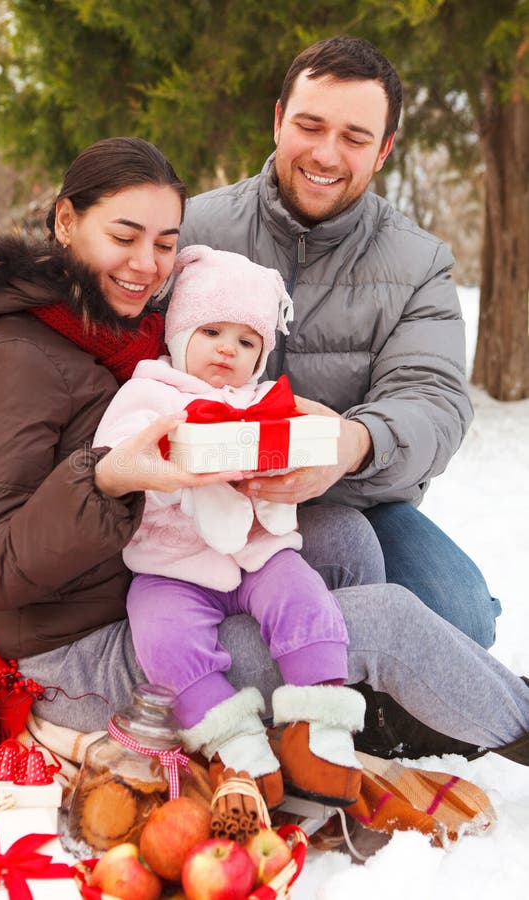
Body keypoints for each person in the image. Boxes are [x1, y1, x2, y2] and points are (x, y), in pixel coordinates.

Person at [0, 136, 529, 786]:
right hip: (82, 655)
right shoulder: (13, 361)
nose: (146, 264)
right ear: (65, 220)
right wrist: (107, 478)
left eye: (165, 243)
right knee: (386, 620)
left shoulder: (120, 327)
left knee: (343, 536)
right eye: (125, 236)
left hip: (139, 578)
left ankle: (325, 735)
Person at [178, 35, 501, 656]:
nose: (327, 154)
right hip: (201, 496)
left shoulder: (419, 261)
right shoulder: (195, 230)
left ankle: (347, 677)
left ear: (383, 151)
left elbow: (433, 400)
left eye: (354, 137)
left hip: (353, 493)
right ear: (278, 121)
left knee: (460, 621)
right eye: (310, 125)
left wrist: (354, 443)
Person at [94, 243, 364, 810]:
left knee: (303, 595)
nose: (227, 350)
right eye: (211, 331)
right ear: (178, 336)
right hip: (171, 563)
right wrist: (147, 464)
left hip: (256, 550)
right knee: (160, 636)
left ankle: (318, 723)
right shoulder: (150, 391)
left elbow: (312, 436)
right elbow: (116, 451)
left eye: (246, 342)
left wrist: (311, 443)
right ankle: (230, 738)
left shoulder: (266, 398)